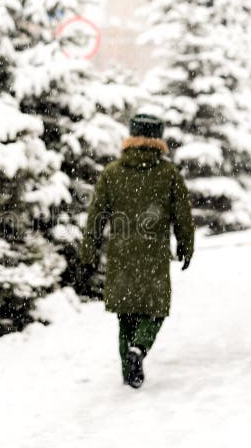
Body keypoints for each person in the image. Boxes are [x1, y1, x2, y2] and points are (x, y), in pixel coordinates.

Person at [78, 112, 195, 388]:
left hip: (121, 254)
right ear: (159, 140)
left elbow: (95, 218)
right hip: (153, 254)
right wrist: (186, 247)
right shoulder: (168, 174)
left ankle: (127, 369)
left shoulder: (112, 173)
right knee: (154, 311)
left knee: (126, 313)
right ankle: (139, 350)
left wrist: (87, 256)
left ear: (130, 138)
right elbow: (183, 215)